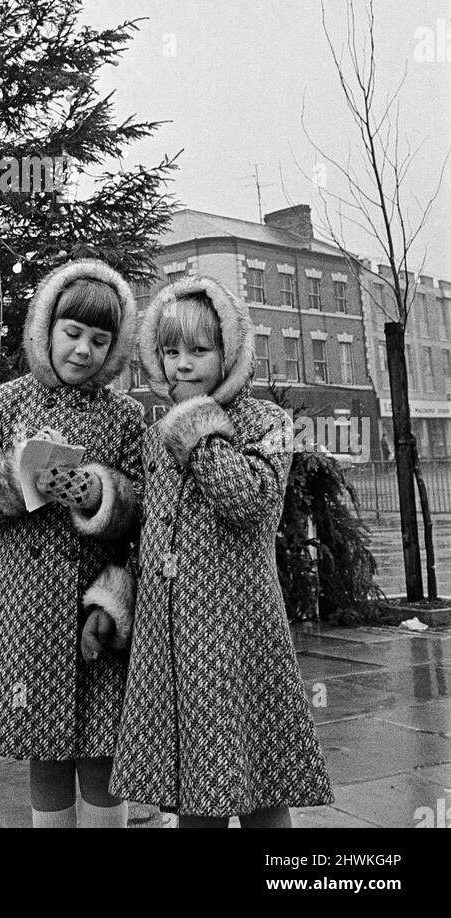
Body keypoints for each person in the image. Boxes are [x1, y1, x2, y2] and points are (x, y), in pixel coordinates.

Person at [84, 274, 334, 828]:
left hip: (236, 632)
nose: (181, 365)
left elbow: (247, 502)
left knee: (259, 778)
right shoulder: (155, 436)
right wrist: (112, 599)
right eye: (170, 352)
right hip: (170, 635)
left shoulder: (267, 423)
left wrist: (198, 427)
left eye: (199, 350)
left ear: (231, 351)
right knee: (192, 789)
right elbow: (143, 530)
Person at [0, 258, 145, 828]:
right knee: (44, 745)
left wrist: (98, 493)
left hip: (92, 605)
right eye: (72, 333)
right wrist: (17, 474)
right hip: (24, 608)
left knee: (102, 743)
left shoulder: (125, 418)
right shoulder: (5, 403)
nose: (83, 350)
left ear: (114, 348)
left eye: (99, 339)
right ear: (46, 328)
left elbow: (143, 517)